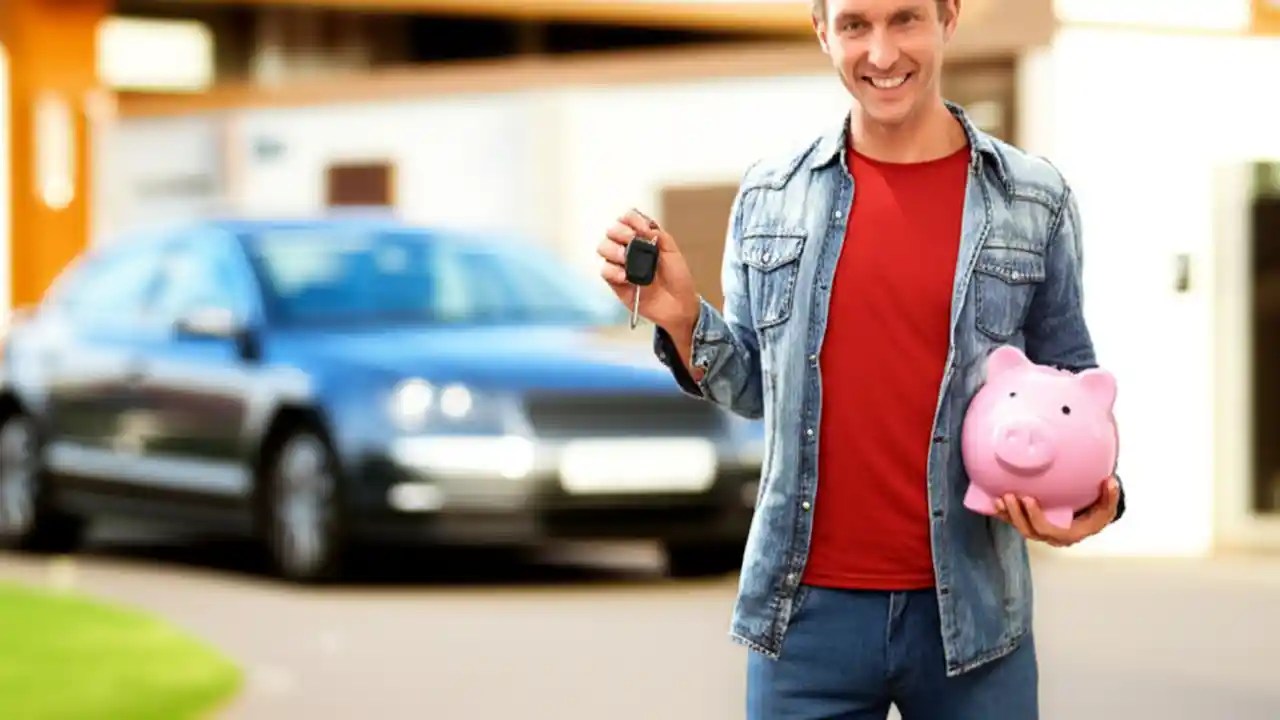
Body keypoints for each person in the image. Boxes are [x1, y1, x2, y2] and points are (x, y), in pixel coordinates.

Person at [597, 0, 1126, 718]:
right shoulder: (771, 196)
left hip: (973, 616)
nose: (881, 54)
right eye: (855, 25)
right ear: (823, 31)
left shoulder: (1033, 199)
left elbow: (1073, 382)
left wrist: (1098, 500)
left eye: (904, 19)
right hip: (804, 620)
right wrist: (684, 317)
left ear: (948, 17)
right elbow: (753, 388)